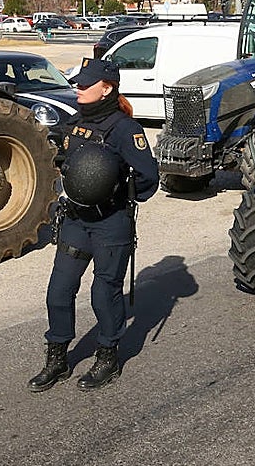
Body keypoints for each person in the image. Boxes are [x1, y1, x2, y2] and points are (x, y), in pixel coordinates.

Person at [28, 57, 158, 393]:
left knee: (104, 293)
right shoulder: (75, 122)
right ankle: (57, 358)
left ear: (107, 88)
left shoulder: (126, 130)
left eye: (86, 84)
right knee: (58, 291)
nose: (78, 88)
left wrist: (115, 191)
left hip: (110, 223)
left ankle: (107, 356)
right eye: (78, 82)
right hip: (75, 219)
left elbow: (149, 180)